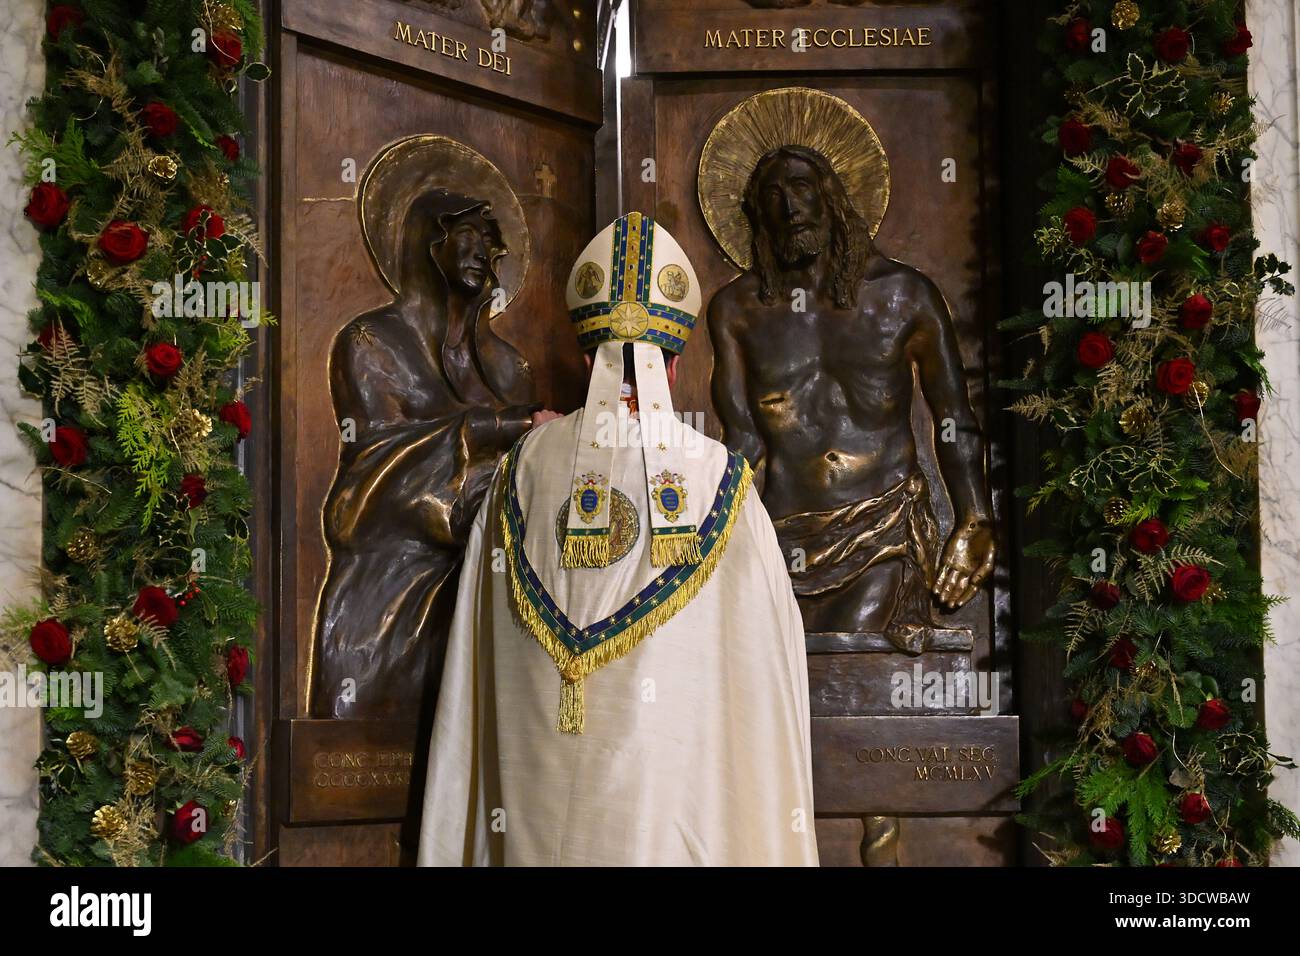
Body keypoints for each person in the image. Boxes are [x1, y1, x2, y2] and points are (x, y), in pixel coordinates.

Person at [417, 212, 818, 866]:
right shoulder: (721, 482)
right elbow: (764, 677)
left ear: (585, 357)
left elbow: (477, 661)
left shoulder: (520, 470)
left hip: (537, 805)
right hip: (676, 813)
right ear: (679, 362)